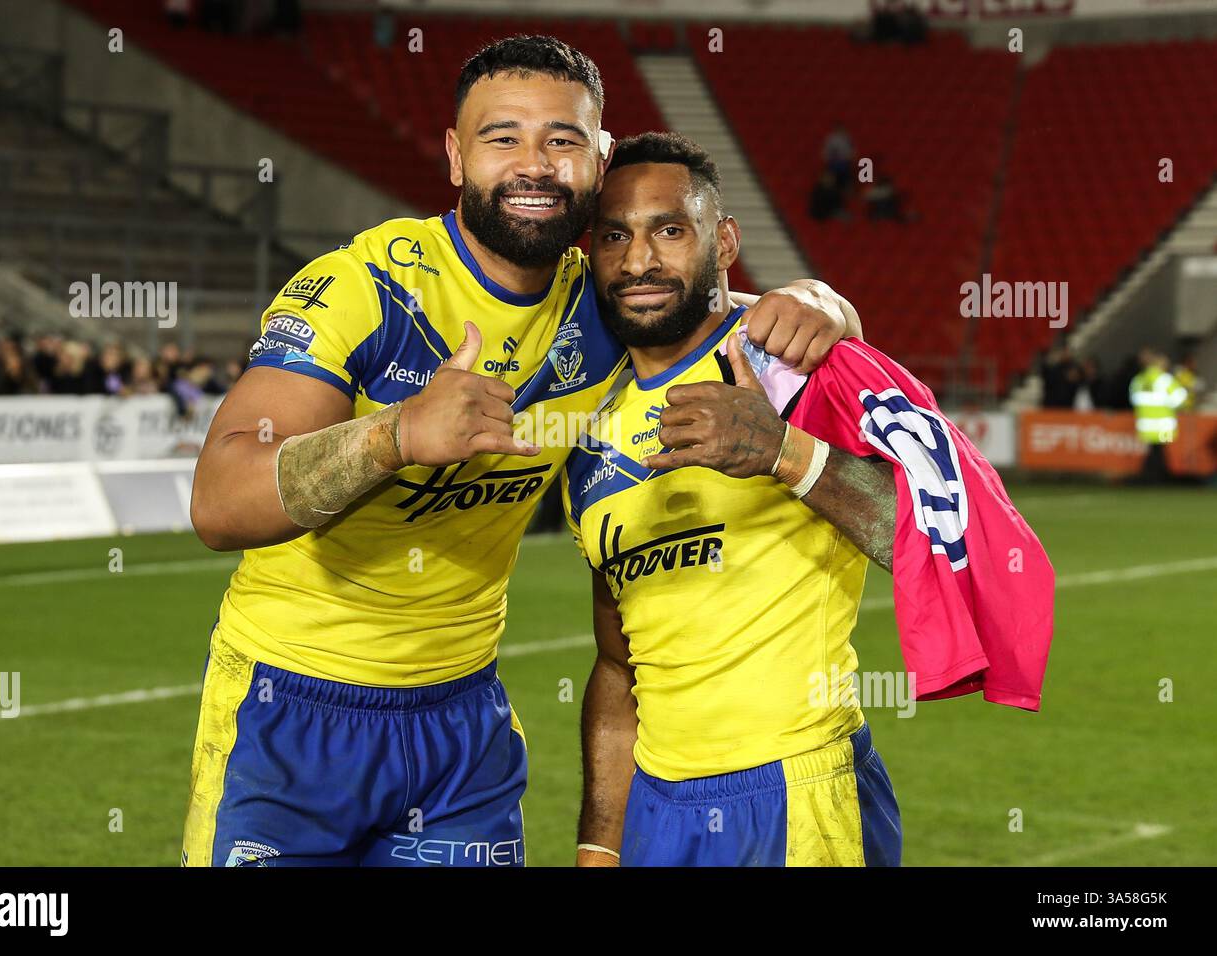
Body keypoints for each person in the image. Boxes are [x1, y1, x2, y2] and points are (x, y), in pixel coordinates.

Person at [182, 36, 865, 868]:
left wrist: (820, 300)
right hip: (291, 707)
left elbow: (725, 311)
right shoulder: (370, 289)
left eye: (563, 140)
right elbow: (218, 502)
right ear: (455, 155)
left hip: (463, 729)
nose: (534, 166)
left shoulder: (605, 305)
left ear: (600, 155)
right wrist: (392, 436)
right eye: (502, 139)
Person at [568, 133, 1052, 867]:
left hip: (797, 791)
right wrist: (601, 845)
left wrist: (781, 453)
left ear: (723, 241)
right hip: (657, 812)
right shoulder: (587, 436)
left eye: (670, 230)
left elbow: (931, 531)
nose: (639, 260)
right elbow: (616, 663)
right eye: (615, 236)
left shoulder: (796, 365)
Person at [1129, 348, 1187, 484]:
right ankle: (1157, 477)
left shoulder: (1139, 379)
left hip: (1145, 425)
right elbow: (1180, 398)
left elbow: (1133, 399)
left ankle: (1153, 476)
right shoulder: (1164, 379)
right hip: (1163, 425)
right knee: (1159, 450)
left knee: (1155, 450)